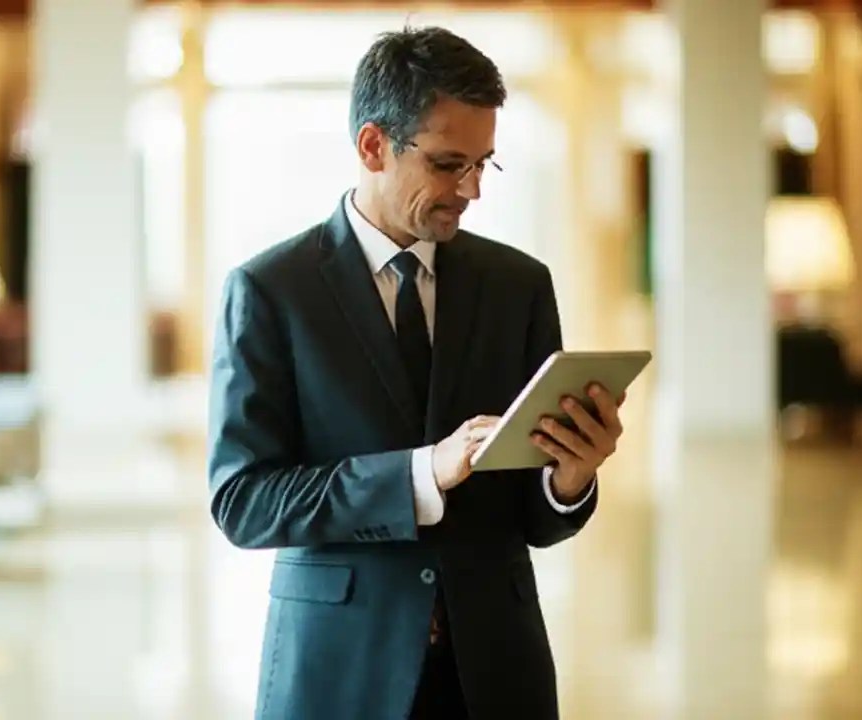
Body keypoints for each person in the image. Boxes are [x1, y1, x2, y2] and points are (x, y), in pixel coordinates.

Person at [206, 25, 626, 720]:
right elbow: (244, 502)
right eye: (447, 164)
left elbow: (535, 516)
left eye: (484, 164)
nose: (472, 190)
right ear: (373, 145)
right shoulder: (270, 291)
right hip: (339, 668)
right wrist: (421, 474)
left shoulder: (518, 285)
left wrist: (570, 479)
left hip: (497, 669)